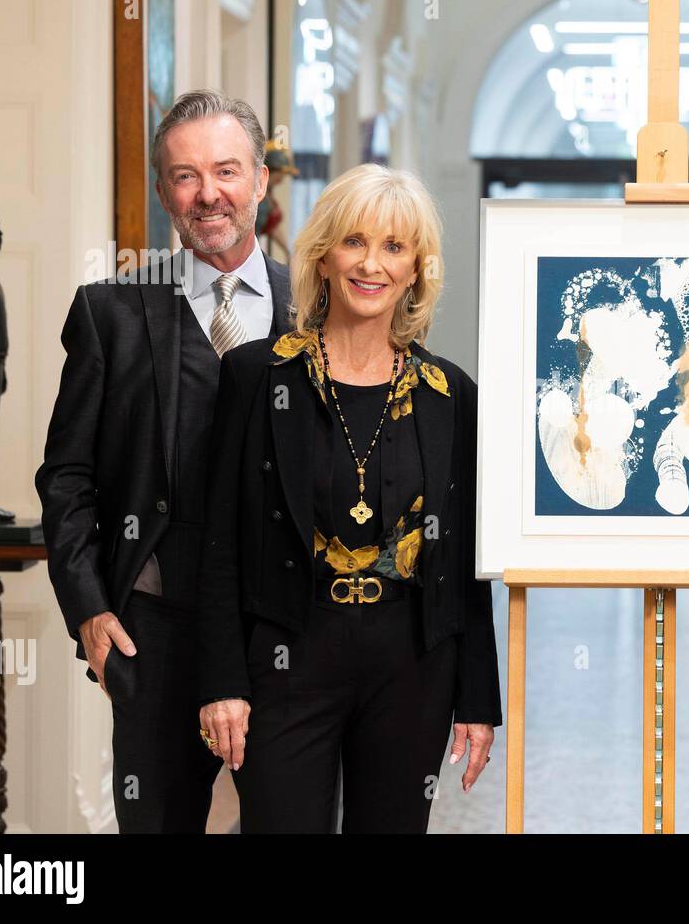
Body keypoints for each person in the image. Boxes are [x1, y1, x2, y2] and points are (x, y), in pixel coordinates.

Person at [195, 163, 501, 832]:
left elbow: (466, 563)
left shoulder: (451, 395)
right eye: (355, 241)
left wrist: (479, 697)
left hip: (412, 667)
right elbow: (217, 543)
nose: (372, 264)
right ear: (324, 254)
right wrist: (221, 682)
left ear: (418, 266)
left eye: (394, 247)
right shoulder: (255, 376)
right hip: (286, 658)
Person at [36, 89, 292, 832]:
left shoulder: (312, 306)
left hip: (284, 634)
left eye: (226, 170)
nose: (207, 193)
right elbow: (67, 477)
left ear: (261, 180)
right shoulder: (109, 311)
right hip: (155, 632)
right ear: (162, 191)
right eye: (184, 175)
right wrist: (88, 605)